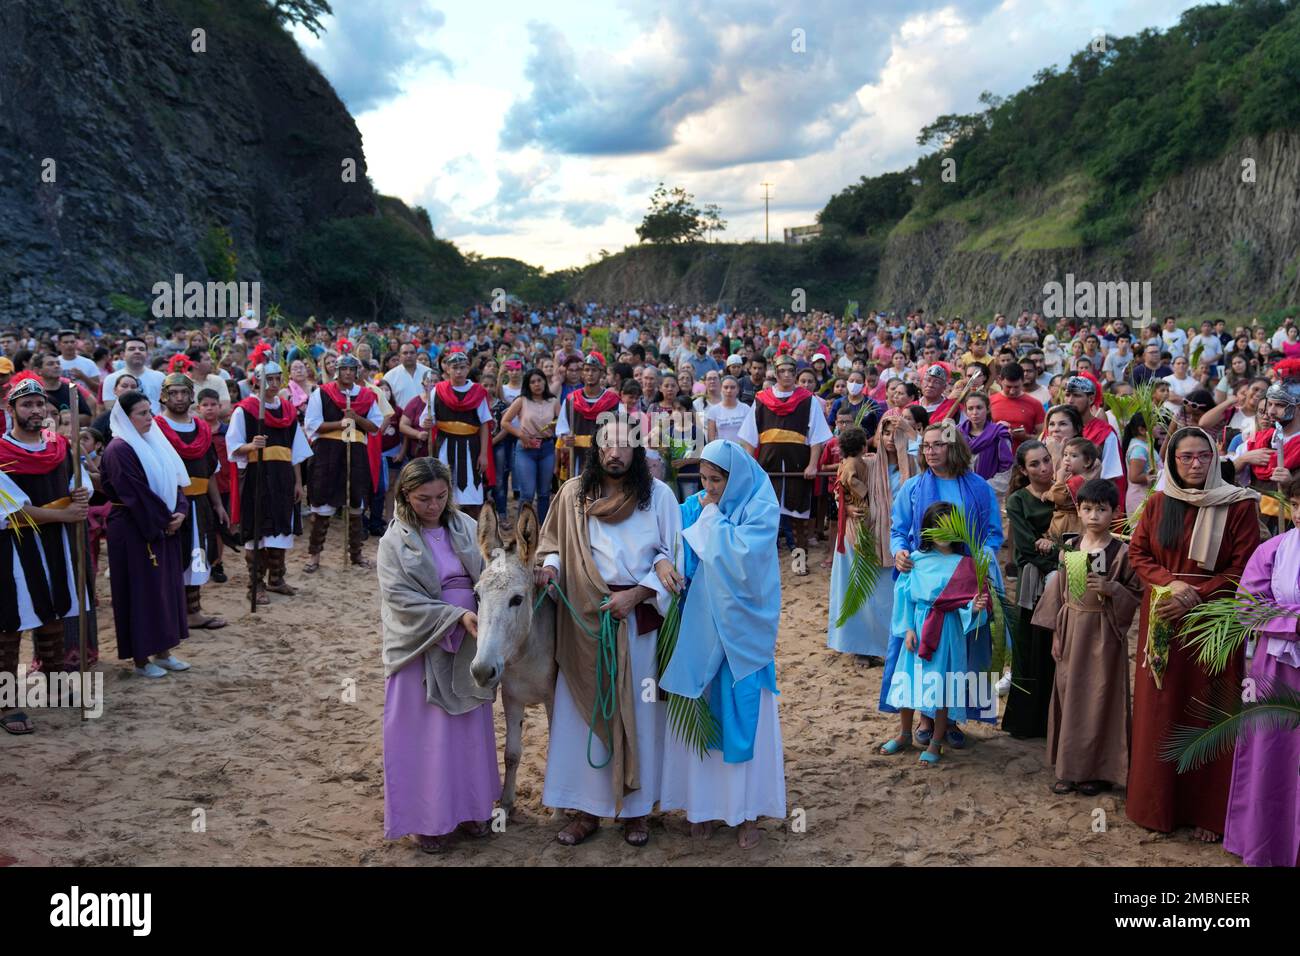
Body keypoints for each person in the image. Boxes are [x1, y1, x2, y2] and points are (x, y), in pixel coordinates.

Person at [535, 417, 681, 847]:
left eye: (624, 445)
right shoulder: (571, 494)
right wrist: (549, 568)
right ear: (596, 450)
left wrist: (636, 596)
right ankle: (585, 810)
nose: (614, 453)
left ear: (637, 451)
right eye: (607, 446)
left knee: (641, 713)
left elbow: (674, 558)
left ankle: (637, 810)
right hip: (584, 618)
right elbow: (554, 545)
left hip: (637, 620)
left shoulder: (659, 496)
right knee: (581, 714)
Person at [1127, 426, 1260, 843]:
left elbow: (1244, 568)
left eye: (1203, 456)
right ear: (1172, 460)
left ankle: (1209, 810)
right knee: (1161, 707)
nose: (1196, 464)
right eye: (1186, 457)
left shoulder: (1238, 506)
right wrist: (1171, 585)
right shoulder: (1159, 502)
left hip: (1214, 619)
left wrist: (1197, 594)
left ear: (1215, 456)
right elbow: (1139, 552)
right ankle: (1156, 805)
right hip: (1165, 613)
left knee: (1209, 707)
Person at [660, 439, 786, 849]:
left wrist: (712, 519)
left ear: (736, 478)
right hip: (700, 628)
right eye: (704, 479)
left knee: (744, 715)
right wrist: (667, 563)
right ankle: (703, 809)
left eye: (716, 480)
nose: (708, 487)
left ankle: (747, 813)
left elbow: (745, 560)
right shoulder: (695, 505)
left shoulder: (761, 507)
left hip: (745, 635)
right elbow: (669, 540)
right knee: (703, 713)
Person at [378, 457, 498, 854]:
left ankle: (471, 808)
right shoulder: (394, 541)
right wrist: (454, 615)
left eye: (441, 497)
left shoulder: (465, 526)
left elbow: (489, 570)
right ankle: (427, 820)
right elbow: (399, 597)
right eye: (423, 498)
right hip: (421, 645)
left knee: (466, 732)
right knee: (426, 737)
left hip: (470, 642)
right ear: (406, 495)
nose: (432, 506)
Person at [886, 421, 1003, 749]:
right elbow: (898, 530)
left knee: (961, 652)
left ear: (955, 448)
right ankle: (924, 719)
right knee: (922, 651)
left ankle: (951, 720)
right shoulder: (912, 488)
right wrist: (900, 552)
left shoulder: (979, 487)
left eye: (939, 445)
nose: (931, 451)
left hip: (967, 579)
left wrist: (982, 557)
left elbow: (993, 532)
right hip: (925, 578)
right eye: (926, 446)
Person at [1031, 478, 1144, 794]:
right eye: (1088, 509)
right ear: (1078, 510)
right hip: (1071, 631)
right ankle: (1068, 768)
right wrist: (1056, 633)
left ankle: (1096, 770)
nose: (1094, 515)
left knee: (1100, 698)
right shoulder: (1072, 548)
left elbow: (1136, 594)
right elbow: (1063, 593)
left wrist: (1112, 589)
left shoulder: (1122, 552)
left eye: (1101, 509)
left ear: (1114, 512)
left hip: (1104, 632)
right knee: (1070, 694)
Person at [0, 375, 91, 733]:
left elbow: (75, 486)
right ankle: (6, 704)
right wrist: (64, 514)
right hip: (14, 546)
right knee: (11, 623)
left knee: (54, 612)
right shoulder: (2, 454)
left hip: (55, 542)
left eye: (40, 404)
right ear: (11, 410)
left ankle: (53, 683)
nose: (36, 410)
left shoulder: (58, 448)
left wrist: (80, 496)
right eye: (27, 404)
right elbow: (10, 511)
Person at [1224, 476, 1300, 867]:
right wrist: (1295, 623)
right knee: (1273, 756)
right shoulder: (1271, 551)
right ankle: (1268, 843)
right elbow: (1248, 607)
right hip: (1277, 667)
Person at [879, 501, 991, 765]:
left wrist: (973, 608)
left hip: (949, 629)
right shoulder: (914, 560)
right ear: (927, 529)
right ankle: (905, 733)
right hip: (918, 627)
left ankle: (936, 741)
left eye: (949, 526)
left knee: (942, 687)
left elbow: (970, 605)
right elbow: (904, 596)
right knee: (910, 681)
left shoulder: (966, 564)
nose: (942, 532)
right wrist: (907, 628)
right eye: (936, 526)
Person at [100, 391, 192, 678]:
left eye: (150, 412)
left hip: (161, 524)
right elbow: (135, 492)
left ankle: (163, 651)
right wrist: (164, 521)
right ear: (126, 418)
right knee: (139, 591)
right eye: (142, 413)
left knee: (164, 589)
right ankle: (141, 658)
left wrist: (180, 512)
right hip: (133, 527)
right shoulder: (119, 449)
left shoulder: (154, 441)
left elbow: (175, 479)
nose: (149, 418)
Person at [226, 355, 312, 603]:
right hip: (257, 476)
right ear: (257, 381)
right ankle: (256, 585)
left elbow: (295, 452)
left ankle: (277, 578)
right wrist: (251, 445)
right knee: (258, 529)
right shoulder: (245, 410)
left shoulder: (287, 409)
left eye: (277, 379)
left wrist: (297, 482)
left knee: (280, 529)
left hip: (283, 476)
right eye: (268, 379)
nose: (273, 384)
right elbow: (234, 447)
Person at [736, 352, 832, 554]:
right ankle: (765, 559)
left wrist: (813, 464)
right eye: (782, 371)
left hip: (798, 463)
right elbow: (750, 438)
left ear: (795, 373)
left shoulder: (808, 400)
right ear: (776, 374)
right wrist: (750, 467)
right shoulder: (762, 399)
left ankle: (799, 558)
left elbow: (816, 437)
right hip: (768, 465)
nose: (787, 375)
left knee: (798, 518)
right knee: (765, 516)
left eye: (790, 371)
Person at [154, 366, 227, 630]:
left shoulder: (201, 428)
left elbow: (210, 472)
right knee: (173, 558)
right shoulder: (155, 427)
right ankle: (172, 612)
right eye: (173, 393)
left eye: (184, 392)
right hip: (172, 504)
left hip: (201, 503)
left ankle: (193, 611)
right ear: (164, 396)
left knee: (198, 554)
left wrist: (218, 504)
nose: (179, 398)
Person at [304, 351, 383, 570]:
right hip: (327, 452)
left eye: (352, 369)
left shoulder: (367, 396)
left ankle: (356, 554)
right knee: (322, 502)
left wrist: (356, 418)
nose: (348, 373)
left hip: (356, 451)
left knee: (356, 501)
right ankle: (314, 556)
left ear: (357, 372)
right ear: (336, 371)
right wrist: (341, 423)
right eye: (343, 369)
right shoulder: (322, 393)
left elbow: (375, 427)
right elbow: (313, 425)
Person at [826, 425, 892, 664]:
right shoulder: (854, 465)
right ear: (864, 445)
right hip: (858, 529)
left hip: (862, 527)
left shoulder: (859, 462)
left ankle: (865, 644)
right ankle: (862, 645)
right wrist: (864, 496)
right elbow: (846, 486)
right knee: (859, 584)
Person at [418, 347, 493, 516]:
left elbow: (483, 425)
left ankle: (471, 530)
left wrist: (483, 454)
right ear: (447, 369)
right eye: (454, 368)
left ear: (468, 368)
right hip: (445, 445)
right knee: (445, 485)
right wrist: (428, 422)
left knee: (471, 489)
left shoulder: (478, 392)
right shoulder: (438, 390)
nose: (458, 372)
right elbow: (425, 419)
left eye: (462, 367)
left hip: (471, 447)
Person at [502, 368, 559, 525]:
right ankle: (523, 528)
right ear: (528, 384)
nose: (537, 384)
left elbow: (562, 424)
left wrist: (555, 427)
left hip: (547, 448)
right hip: (526, 448)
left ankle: (544, 529)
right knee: (527, 493)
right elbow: (505, 422)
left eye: (539, 380)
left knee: (544, 493)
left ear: (544, 382)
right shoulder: (522, 400)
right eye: (532, 382)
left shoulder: (553, 401)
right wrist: (520, 434)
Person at [555, 353, 618, 480]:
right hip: (577, 456)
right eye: (587, 370)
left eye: (594, 370)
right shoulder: (571, 400)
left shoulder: (613, 401)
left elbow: (619, 431)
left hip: (603, 455)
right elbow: (562, 429)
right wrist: (566, 438)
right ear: (582, 373)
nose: (590, 373)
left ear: (601, 373)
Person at [706, 375, 749, 447]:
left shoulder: (746, 409)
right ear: (720, 389)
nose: (729, 390)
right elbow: (711, 438)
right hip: (721, 451)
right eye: (726, 387)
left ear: (738, 389)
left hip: (741, 451)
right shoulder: (713, 411)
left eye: (732, 387)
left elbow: (749, 435)